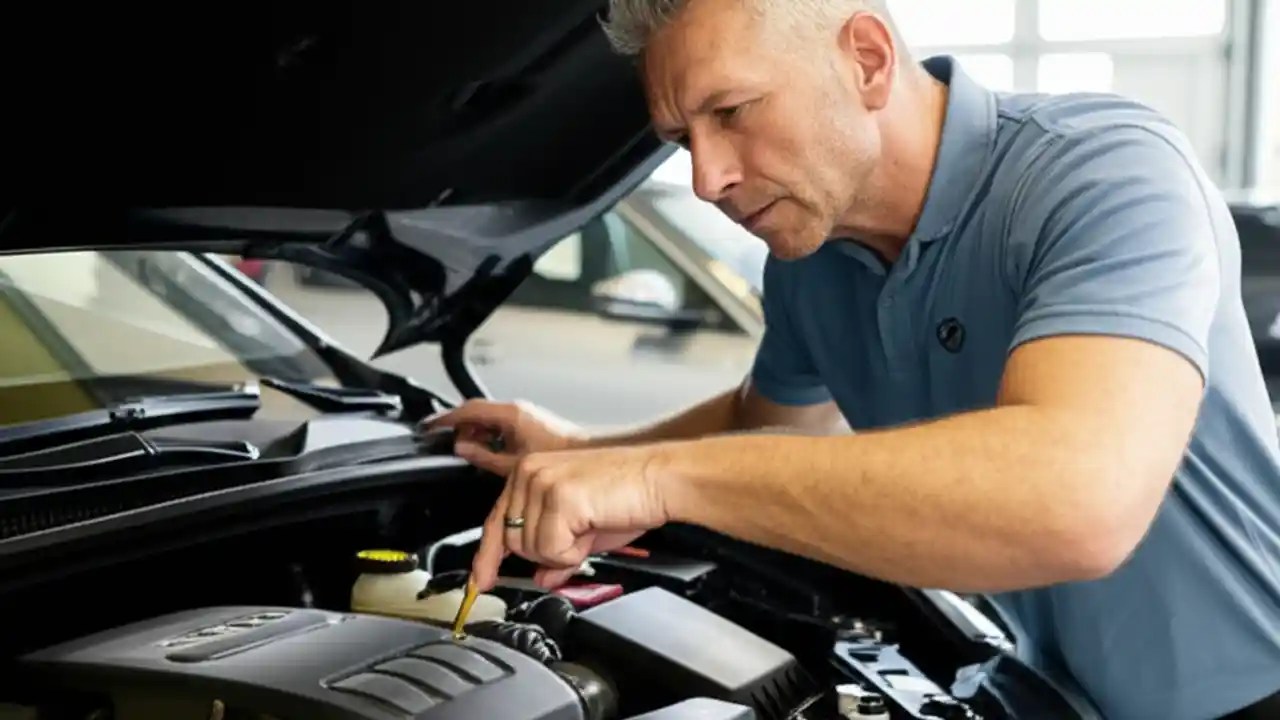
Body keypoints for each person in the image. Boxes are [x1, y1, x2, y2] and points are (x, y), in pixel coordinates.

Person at [424, 1, 1280, 717]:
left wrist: (655, 482)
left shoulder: (1102, 172)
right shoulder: (815, 259)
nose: (706, 177)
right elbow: (760, 427)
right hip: (1050, 692)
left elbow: (1079, 502)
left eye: (731, 112)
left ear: (867, 59)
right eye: (683, 138)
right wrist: (577, 452)